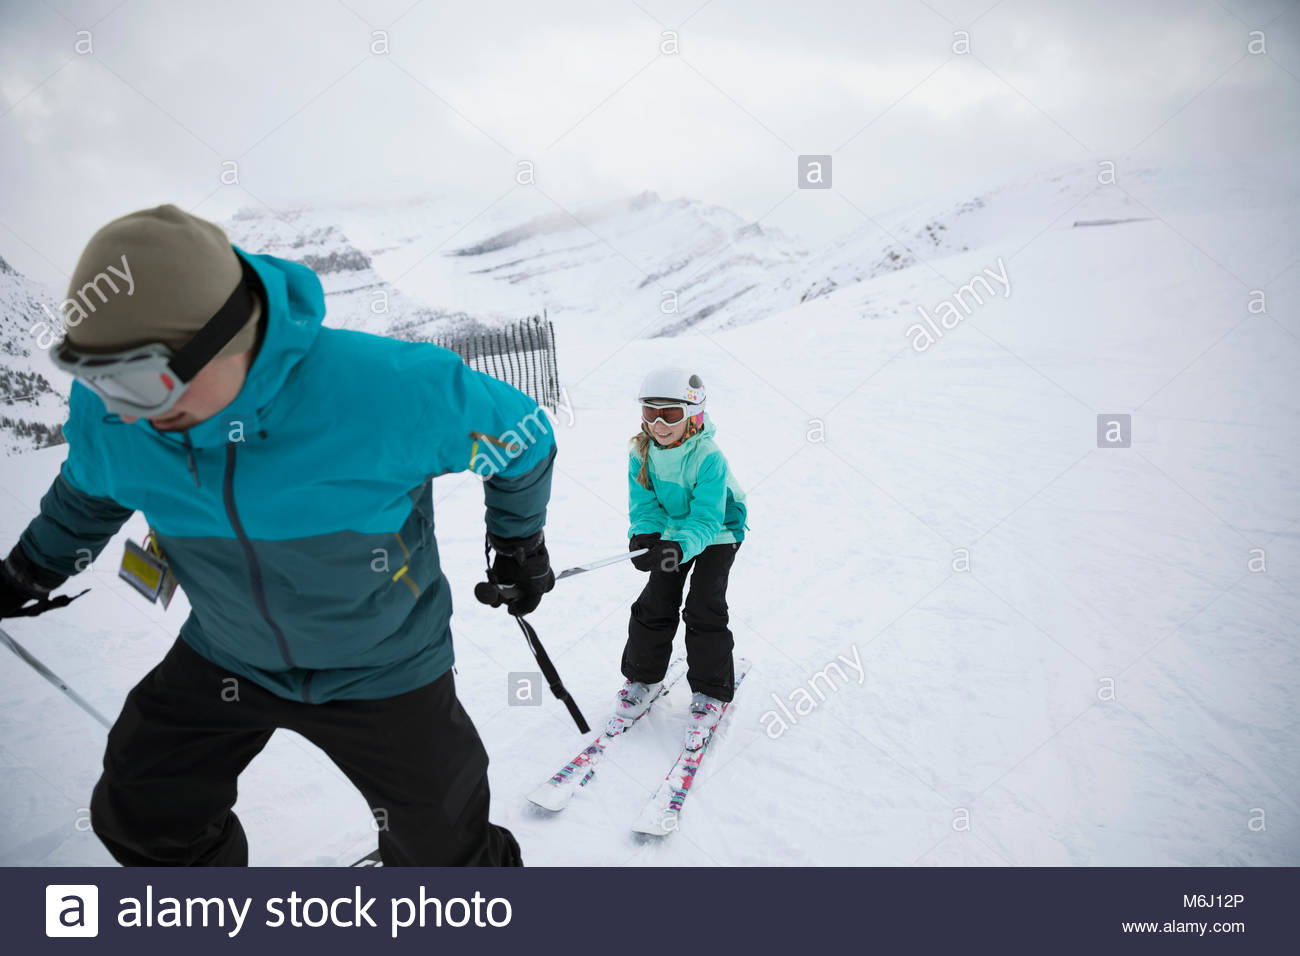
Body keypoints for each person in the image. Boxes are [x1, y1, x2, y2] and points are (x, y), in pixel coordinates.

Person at [0, 204, 557, 866]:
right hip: (229, 653)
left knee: (444, 847)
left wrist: (518, 545)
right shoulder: (115, 413)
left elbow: (522, 439)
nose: (120, 409)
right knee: (141, 810)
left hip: (383, 662)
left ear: (231, 337)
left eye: (139, 381)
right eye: (96, 379)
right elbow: (91, 489)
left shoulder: (386, 390)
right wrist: (32, 567)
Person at [614, 367, 748, 750]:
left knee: (704, 604)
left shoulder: (708, 457)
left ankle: (710, 692)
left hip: (720, 530)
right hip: (676, 528)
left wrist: (678, 548)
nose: (658, 424)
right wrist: (646, 536)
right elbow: (645, 505)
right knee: (657, 598)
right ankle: (643, 678)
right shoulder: (641, 452)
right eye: (650, 413)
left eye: (669, 414)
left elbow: (707, 518)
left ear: (693, 413)